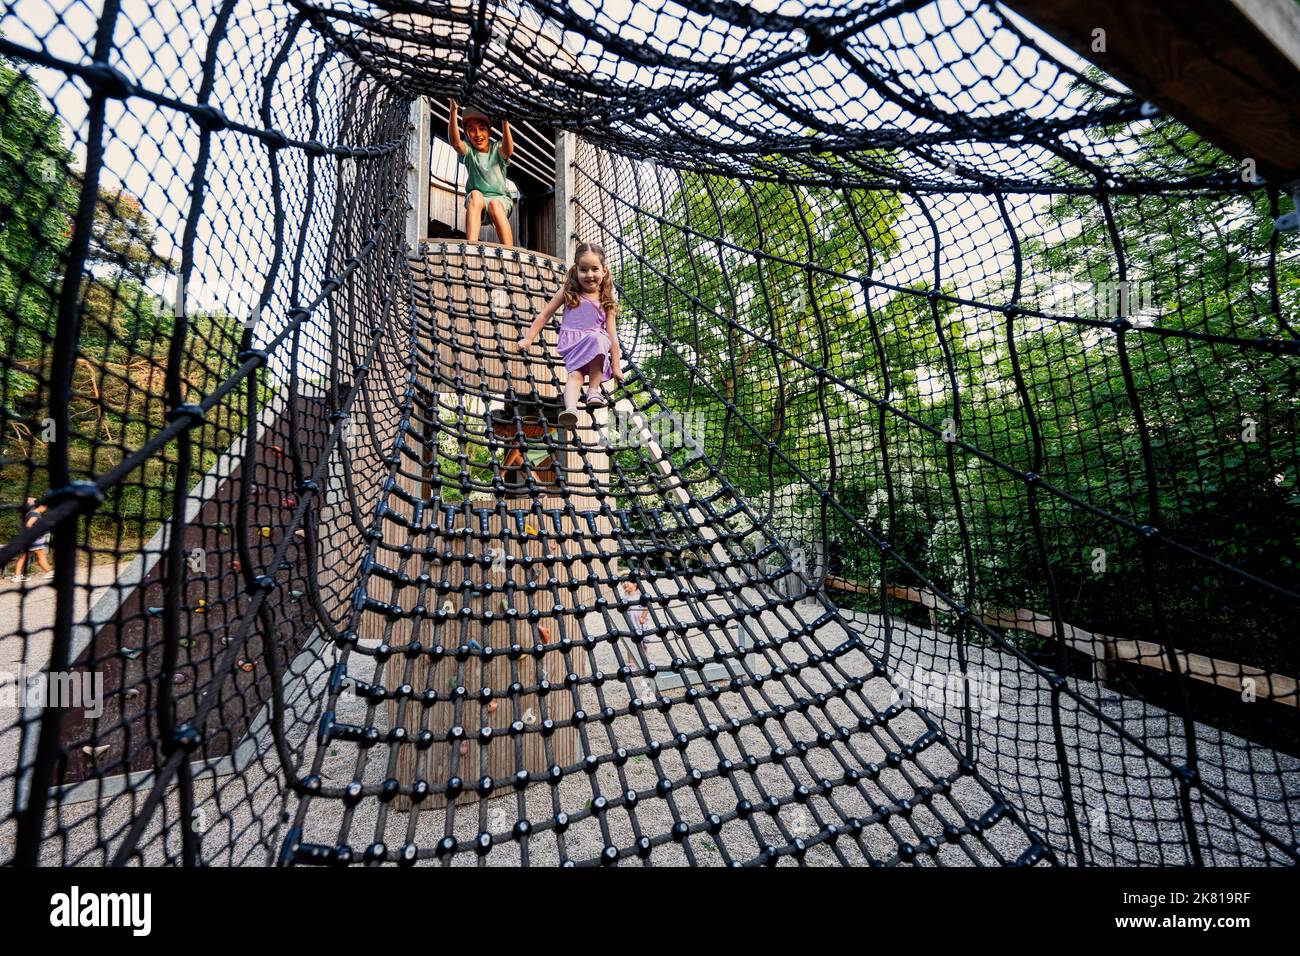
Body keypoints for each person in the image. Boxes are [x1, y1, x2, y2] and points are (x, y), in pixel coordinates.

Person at [516, 242, 624, 429]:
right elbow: (545, 314)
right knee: (575, 376)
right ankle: (571, 410)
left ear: (604, 271)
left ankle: (593, 391)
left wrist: (616, 366)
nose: (589, 275)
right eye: (584, 270)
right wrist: (529, 338)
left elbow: (612, 335)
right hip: (573, 343)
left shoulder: (606, 299)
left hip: (596, 343)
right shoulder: (568, 291)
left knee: (599, 339)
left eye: (594, 269)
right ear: (576, 270)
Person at [448, 99, 515, 247]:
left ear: (489, 132)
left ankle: (510, 251)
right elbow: (455, 143)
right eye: (472, 129)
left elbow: (509, 150)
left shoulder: (497, 149)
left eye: (482, 128)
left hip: (500, 200)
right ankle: (471, 246)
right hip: (477, 203)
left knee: (495, 205)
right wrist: (453, 111)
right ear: (466, 133)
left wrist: (505, 121)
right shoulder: (470, 153)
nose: (477, 134)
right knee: (475, 195)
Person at [13, 498, 53, 582]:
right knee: (40, 554)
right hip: (33, 540)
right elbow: (28, 525)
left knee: (24, 556)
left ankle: (17, 575)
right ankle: (49, 572)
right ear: (41, 507)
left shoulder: (30, 513)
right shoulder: (35, 515)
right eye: (45, 508)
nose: (45, 510)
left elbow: (29, 499)